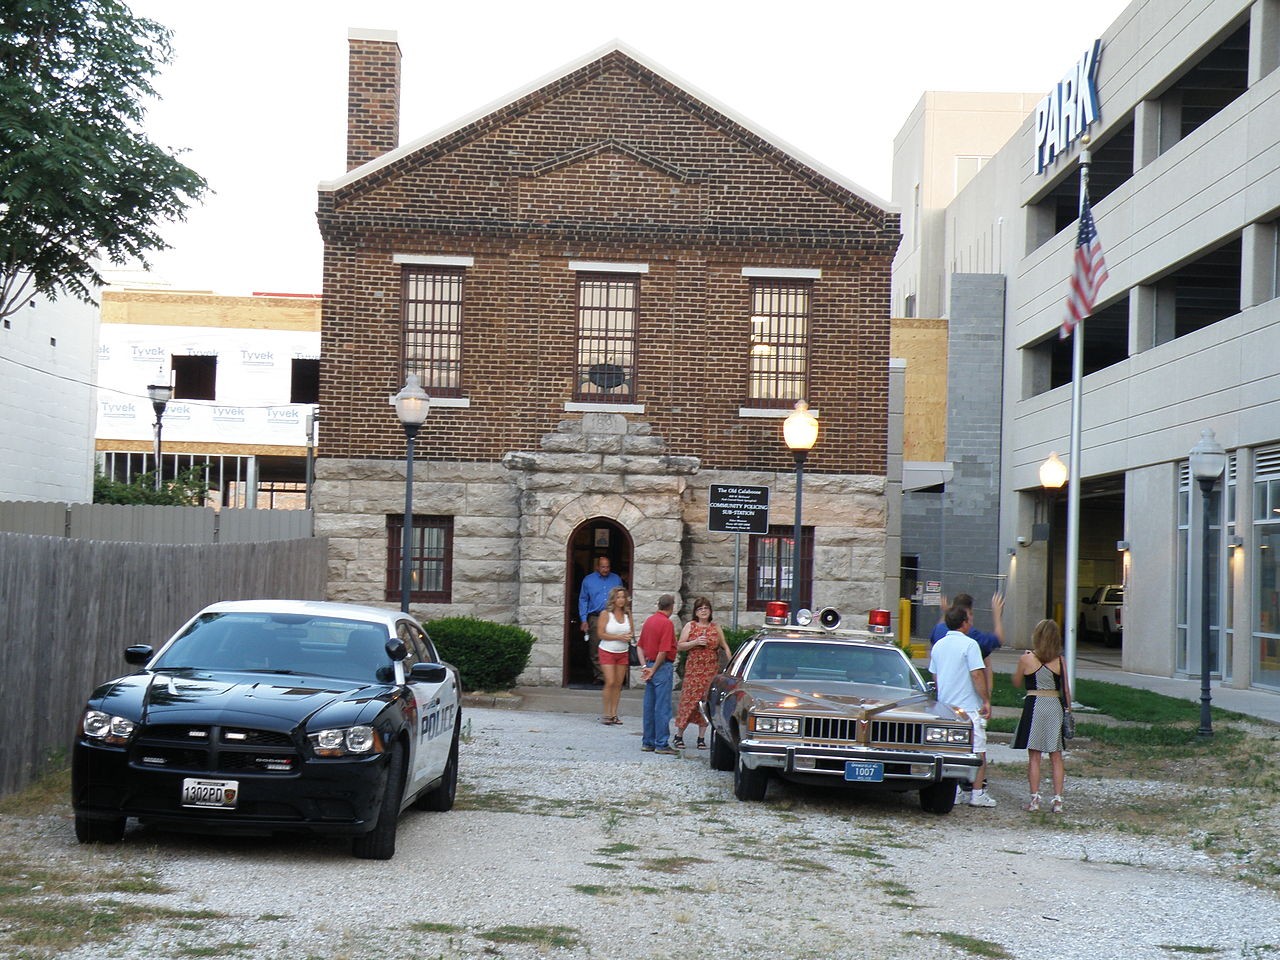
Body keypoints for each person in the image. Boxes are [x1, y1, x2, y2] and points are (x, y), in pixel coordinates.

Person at [929, 604, 995, 807]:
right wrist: (985, 699)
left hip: (946, 707)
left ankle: (954, 790)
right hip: (968, 706)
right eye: (969, 619)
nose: (971, 622)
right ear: (964, 623)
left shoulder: (938, 645)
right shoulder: (970, 645)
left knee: (950, 752)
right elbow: (976, 674)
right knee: (978, 751)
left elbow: (935, 674)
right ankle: (977, 792)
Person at [1012, 619, 1069, 814]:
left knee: (1034, 756)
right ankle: (1058, 801)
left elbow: (1016, 681)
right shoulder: (1060, 661)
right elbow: (1066, 689)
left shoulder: (1027, 659)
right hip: (1054, 704)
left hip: (1034, 703)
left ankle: (1035, 799)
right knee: (1056, 756)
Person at [672, 597, 731, 750]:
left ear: (710, 611)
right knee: (688, 701)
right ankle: (679, 735)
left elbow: (724, 646)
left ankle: (701, 738)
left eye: (706, 608)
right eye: (700, 608)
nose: (703, 610)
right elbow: (680, 645)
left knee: (705, 704)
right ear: (696, 612)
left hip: (710, 670)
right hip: (694, 670)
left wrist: (731, 665)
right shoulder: (690, 626)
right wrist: (695, 642)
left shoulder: (715, 627)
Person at [637, 594, 679, 755]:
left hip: (648, 663)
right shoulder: (666, 623)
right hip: (661, 667)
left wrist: (645, 667)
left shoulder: (649, 621)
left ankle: (648, 741)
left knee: (649, 706)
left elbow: (639, 646)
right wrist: (654, 669)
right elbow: (664, 650)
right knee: (662, 707)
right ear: (671, 606)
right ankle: (661, 743)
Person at [578, 556, 622, 684]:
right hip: (595, 617)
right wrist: (583, 619)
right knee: (595, 648)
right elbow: (583, 600)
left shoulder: (616, 579)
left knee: (613, 646)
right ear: (597, 567)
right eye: (603, 567)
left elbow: (622, 597)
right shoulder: (588, 580)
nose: (605, 569)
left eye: (607, 567)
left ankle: (611, 675)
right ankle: (600, 676)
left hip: (612, 617)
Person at [595, 586, 633, 725]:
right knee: (610, 681)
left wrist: (628, 637)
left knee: (618, 683)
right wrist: (618, 637)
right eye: (618, 597)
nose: (621, 600)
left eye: (623, 597)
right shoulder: (605, 614)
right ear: (613, 599)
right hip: (607, 650)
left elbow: (631, 632)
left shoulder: (628, 614)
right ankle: (606, 713)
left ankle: (614, 713)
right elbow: (601, 634)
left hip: (623, 652)